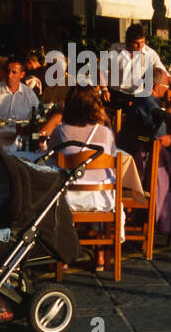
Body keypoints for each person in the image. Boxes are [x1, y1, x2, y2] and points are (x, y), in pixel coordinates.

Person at [49, 87, 122, 269]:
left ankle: (62, 257)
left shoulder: (60, 131)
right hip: (100, 199)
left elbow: (51, 158)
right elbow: (113, 154)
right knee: (99, 182)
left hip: (69, 199)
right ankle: (100, 255)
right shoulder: (105, 132)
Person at [0, 58, 39, 124]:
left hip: (21, 132)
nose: (9, 75)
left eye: (14, 72)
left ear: (22, 75)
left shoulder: (29, 94)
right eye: (8, 71)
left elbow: (38, 117)